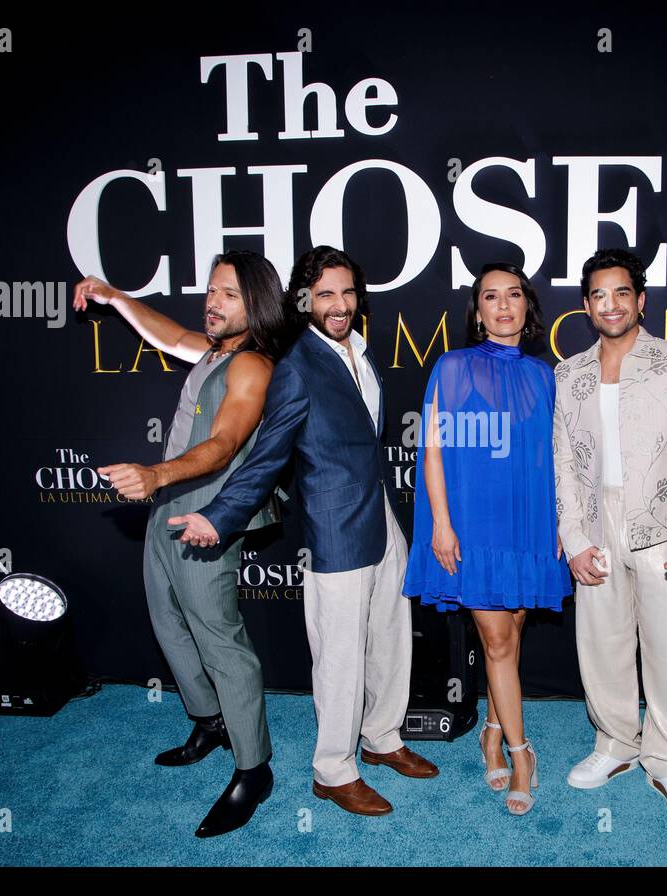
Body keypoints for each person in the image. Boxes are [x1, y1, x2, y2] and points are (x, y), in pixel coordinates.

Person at [167, 246, 438, 817]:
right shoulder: (295, 366)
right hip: (336, 526)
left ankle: (382, 737)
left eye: (347, 293)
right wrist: (218, 516)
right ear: (303, 300)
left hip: (381, 516)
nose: (339, 305)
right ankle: (333, 771)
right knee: (339, 654)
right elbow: (266, 457)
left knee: (390, 632)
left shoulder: (360, 354)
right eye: (326, 295)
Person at [72, 250, 294, 838]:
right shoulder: (214, 349)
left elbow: (222, 445)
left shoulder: (251, 367)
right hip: (167, 511)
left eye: (228, 294)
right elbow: (168, 332)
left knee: (220, 640)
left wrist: (156, 474)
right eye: (212, 290)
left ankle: (255, 767)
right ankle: (209, 721)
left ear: (257, 304)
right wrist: (115, 296)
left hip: (206, 516)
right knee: (169, 623)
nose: (212, 302)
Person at [553, 249, 667, 822]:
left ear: (640, 299)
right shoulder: (568, 374)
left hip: (662, 522)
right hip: (598, 521)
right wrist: (572, 535)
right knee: (602, 643)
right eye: (599, 295)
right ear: (586, 305)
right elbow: (563, 467)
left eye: (622, 292)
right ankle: (616, 744)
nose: (612, 304)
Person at [402, 262, 571, 815]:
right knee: (497, 641)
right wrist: (442, 524)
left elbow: (552, 460)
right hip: (471, 525)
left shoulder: (544, 375)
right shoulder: (451, 367)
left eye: (513, 295)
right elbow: (432, 451)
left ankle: (491, 734)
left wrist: (559, 529)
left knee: (513, 634)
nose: (503, 305)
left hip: (528, 524)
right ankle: (523, 754)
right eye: (490, 297)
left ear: (527, 306)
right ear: (477, 311)